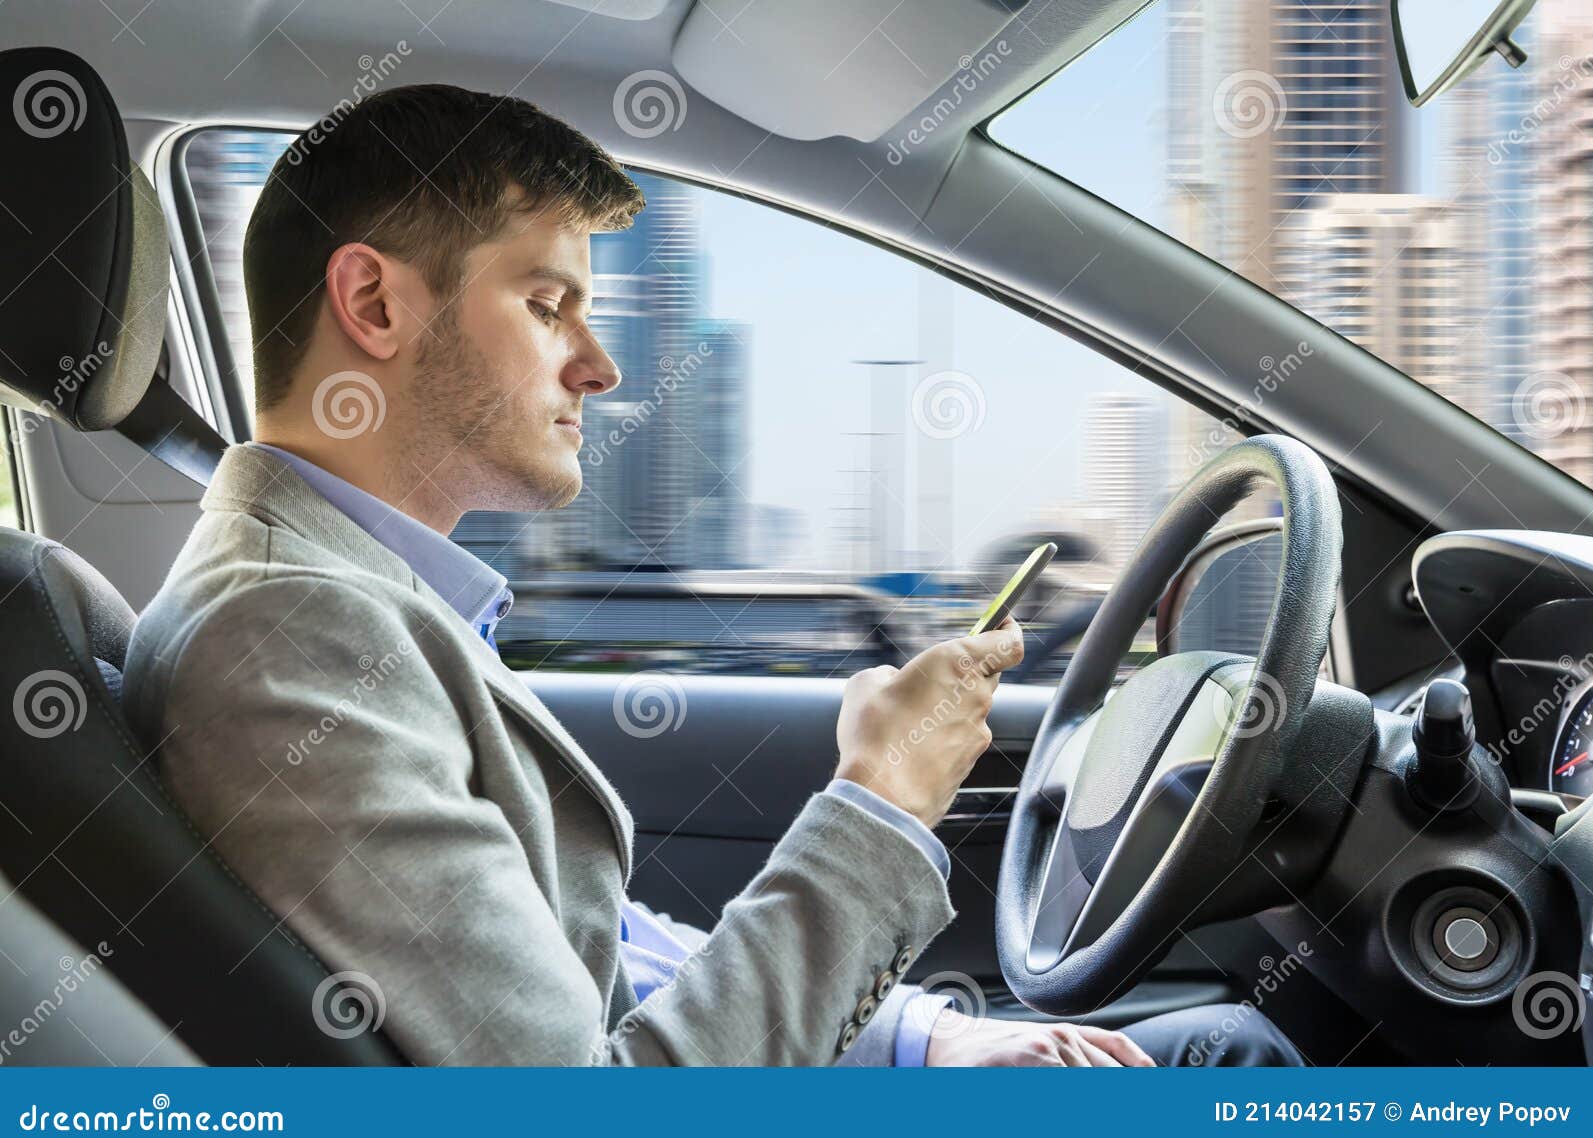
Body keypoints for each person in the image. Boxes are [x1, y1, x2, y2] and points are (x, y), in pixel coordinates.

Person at [125, 83, 1299, 1068]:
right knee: (1233, 1057)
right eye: (548, 306)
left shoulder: (359, 592)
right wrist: (882, 792)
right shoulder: (290, 633)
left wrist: (926, 1041)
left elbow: (590, 947)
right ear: (375, 303)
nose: (598, 364)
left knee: (1211, 1044)